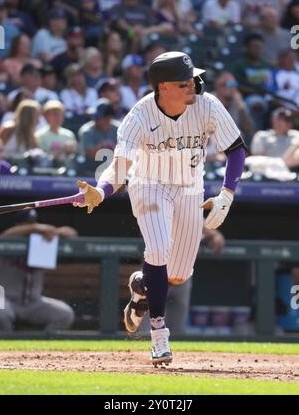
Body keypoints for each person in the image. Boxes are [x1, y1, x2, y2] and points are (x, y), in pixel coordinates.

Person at [73, 51, 246, 365]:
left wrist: (227, 194)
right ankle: (158, 334)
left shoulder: (207, 105)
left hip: (191, 187)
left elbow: (236, 150)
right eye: (185, 83)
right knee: (159, 250)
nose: (194, 85)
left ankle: (142, 286)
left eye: (194, 79)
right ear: (163, 87)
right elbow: (120, 167)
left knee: (177, 275)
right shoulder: (138, 116)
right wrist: (101, 191)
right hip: (149, 184)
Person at [0, 209, 76, 331]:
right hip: (7, 300)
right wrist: (36, 228)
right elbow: (5, 235)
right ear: (18, 225)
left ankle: (42, 347)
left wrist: (54, 231)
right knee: (0, 313)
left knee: (65, 314)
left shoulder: (44, 241)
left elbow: (72, 233)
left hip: (33, 303)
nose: (32, 226)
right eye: (27, 223)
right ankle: (7, 346)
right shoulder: (10, 239)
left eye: (33, 222)